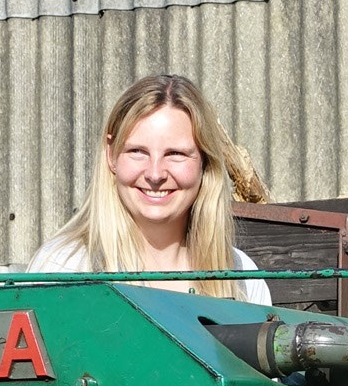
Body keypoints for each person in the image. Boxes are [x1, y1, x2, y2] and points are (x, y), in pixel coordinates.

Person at [28, 73, 272, 304]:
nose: (155, 174)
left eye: (175, 154)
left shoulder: (241, 277)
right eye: (137, 152)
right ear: (111, 155)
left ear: (205, 162)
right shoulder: (63, 268)